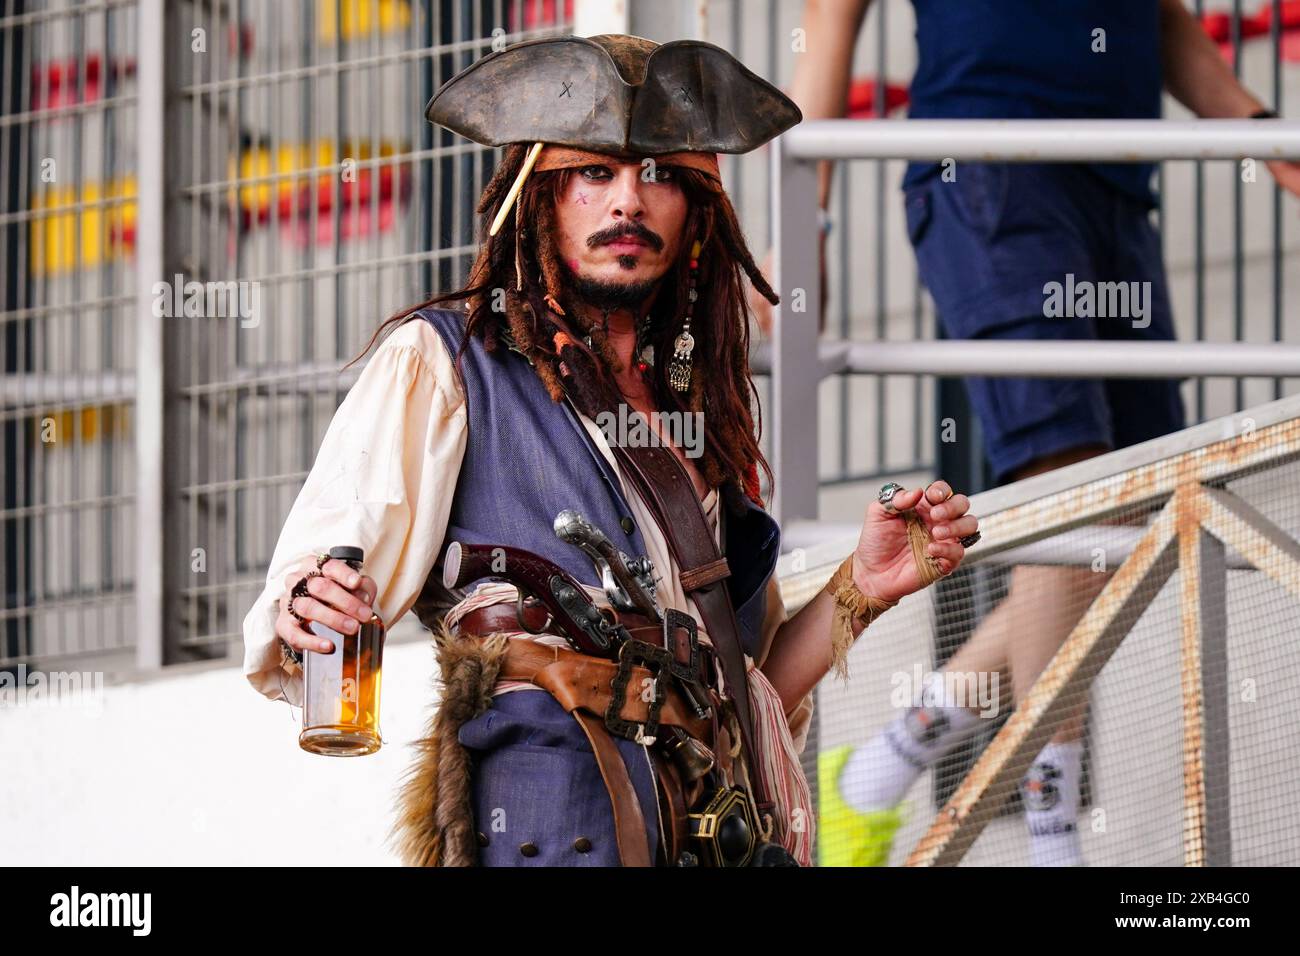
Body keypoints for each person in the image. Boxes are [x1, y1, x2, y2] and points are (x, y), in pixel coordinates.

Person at [240, 33, 981, 868]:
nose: (628, 201)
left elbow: (747, 698)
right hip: (549, 830)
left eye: (658, 174)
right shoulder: (443, 363)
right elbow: (314, 580)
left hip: (704, 837)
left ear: (694, 211)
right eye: (595, 173)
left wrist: (862, 586)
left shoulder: (700, 413)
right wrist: (310, 606)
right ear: (542, 196)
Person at [764, 0, 1300, 867]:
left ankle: (876, 768)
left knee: (1132, 512)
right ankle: (1053, 843)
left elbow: (1160, 23)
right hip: (987, 166)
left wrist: (1268, 137)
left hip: (1120, 183)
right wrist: (807, 223)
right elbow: (830, 16)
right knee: (1072, 491)